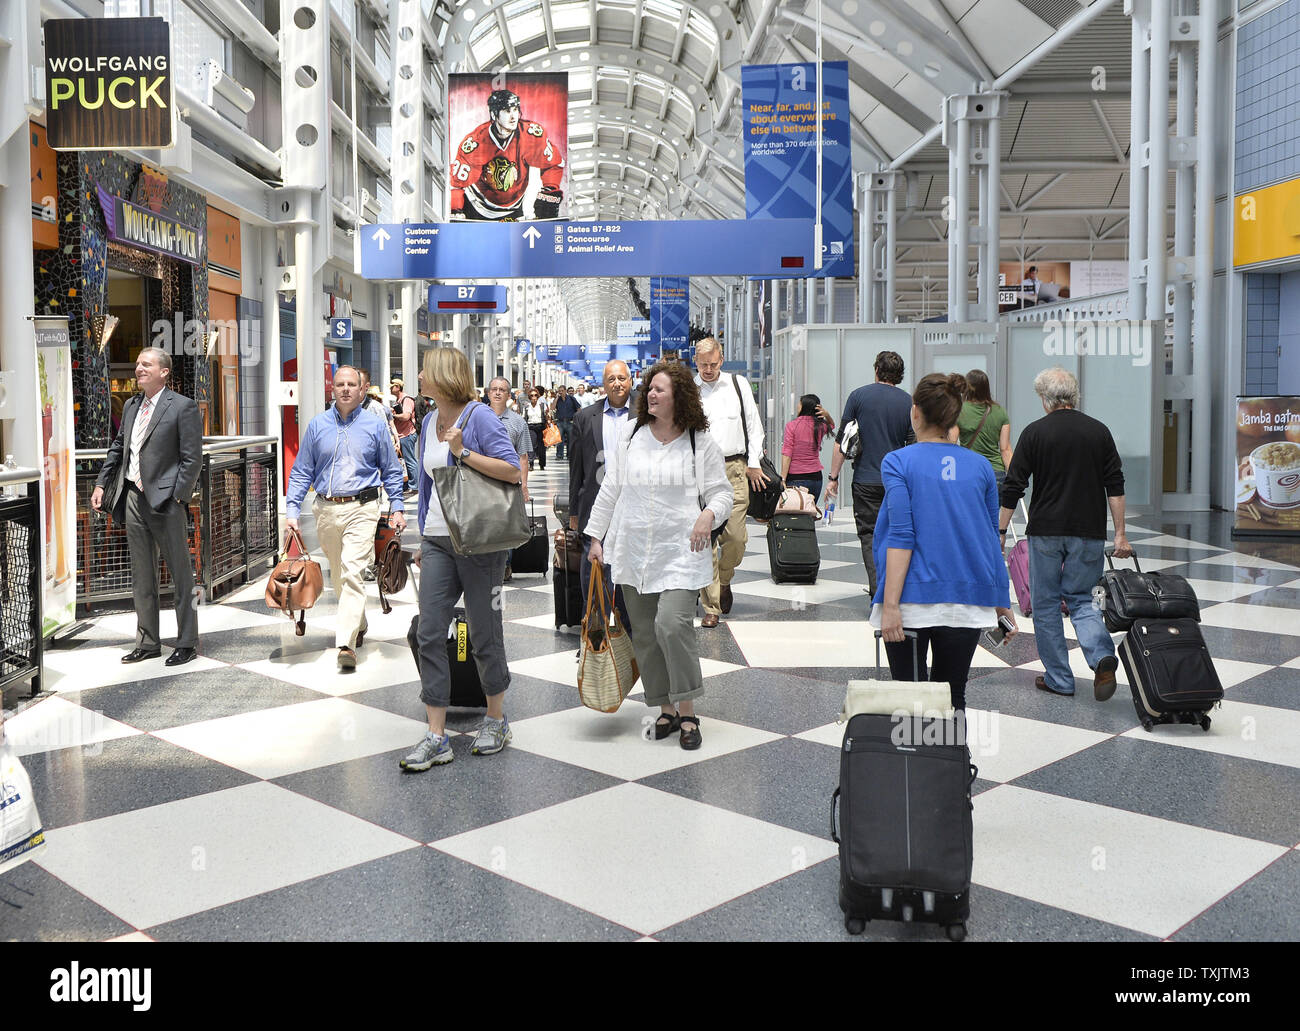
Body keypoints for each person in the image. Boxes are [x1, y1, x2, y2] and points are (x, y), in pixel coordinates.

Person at [584, 361, 732, 750]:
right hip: (632, 551)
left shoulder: (700, 441)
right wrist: (596, 537)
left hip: (681, 551)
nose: (650, 394)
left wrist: (707, 514)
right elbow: (610, 489)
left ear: (678, 396)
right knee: (646, 635)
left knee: (672, 625)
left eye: (659, 390)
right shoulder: (633, 436)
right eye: (649, 388)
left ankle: (687, 712)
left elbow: (722, 493)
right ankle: (664, 709)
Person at [401, 348, 524, 771]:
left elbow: (513, 471)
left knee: (484, 633)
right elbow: (426, 486)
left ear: (443, 375)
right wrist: (421, 536)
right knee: (430, 633)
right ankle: (437, 734)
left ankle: (495, 718)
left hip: (478, 543)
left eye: (424, 370)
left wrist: (463, 453)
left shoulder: (480, 417)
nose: (418, 375)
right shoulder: (427, 422)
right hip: (437, 541)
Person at [874, 374, 1017, 712]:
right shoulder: (982, 466)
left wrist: (889, 605)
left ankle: (913, 764)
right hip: (965, 602)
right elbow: (989, 536)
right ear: (954, 419)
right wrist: (1001, 600)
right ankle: (950, 765)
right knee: (953, 698)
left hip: (909, 599)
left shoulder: (897, 462)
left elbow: (901, 535)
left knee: (909, 702)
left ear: (916, 413)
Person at [998, 367, 1132, 700]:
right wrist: (1120, 535)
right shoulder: (1098, 431)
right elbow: (1115, 485)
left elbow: (1014, 485)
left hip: (1046, 531)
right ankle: (1101, 656)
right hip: (1087, 531)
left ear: (1046, 399)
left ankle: (1059, 678)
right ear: (1073, 397)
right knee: (1082, 600)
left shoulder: (1034, 433)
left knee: (1044, 604)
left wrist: (1000, 529)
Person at [285, 366, 406, 671]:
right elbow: (302, 471)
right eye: (340, 384)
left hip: (363, 507)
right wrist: (292, 511)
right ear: (333, 389)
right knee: (339, 574)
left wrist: (397, 506)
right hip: (325, 509)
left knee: (353, 571)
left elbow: (391, 469)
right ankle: (358, 622)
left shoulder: (374, 426)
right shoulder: (317, 426)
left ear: (362, 389)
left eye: (352, 384)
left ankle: (345, 643)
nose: (346, 389)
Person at [91, 347, 203, 667]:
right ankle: (148, 642)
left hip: (166, 502)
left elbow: (192, 458)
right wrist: (102, 483)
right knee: (142, 576)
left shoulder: (182, 407)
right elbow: (118, 447)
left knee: (182, 576)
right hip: (133, 498)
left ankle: (186, 642)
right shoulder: (130, 405)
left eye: (146, 364)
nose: (139, 368)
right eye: (138, 364)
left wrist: (178, 497)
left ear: (164, 372)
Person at [825, 350, 914, 597]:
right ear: (900, 375)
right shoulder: (908, 402)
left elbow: (842, 441)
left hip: (864, 480)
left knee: (869, 537)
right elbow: (913, 446)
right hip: (896, 482)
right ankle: (897, 593)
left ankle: (878, 594)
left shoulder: (858, 397)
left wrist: (833, 479)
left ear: (876, 370)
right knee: (897, 535)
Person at [693, 336, 767, 628]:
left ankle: (724, 580)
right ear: (695, 362)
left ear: (721, 360)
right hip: (700, 472)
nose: (708, 370)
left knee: (735, 538)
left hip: (735, 468)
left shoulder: (738, 385)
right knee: (705, 539)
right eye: (703, 365)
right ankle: (711, 606)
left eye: (713, 364)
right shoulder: (690, 390)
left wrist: (753, 463)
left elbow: (753, 424)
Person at [569, 359, 635, 628]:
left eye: (622, 378)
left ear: (630, 380)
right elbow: (576, 469)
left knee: (628, 575)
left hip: (634, 506)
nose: (617, 383)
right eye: (611, 379)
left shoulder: (646, 413)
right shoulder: (585, 417)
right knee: (594, 573)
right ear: (603, 384)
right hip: (595, 505)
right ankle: (593, 637)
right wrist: (573, 510)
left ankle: (629, 637)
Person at [450, 89, 565, 221]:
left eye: (515, 109)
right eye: (506, 111)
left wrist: (550, 190)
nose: (513, 116)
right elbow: (456, 184)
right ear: (494, 114)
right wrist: (456, 209)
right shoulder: (476, 142)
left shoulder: (530, 135)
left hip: (514, 209)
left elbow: (554, 164)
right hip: (477, 208)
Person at [486, 376, 533, 583]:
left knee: (506, 525)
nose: (497, 393)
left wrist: (524, 487)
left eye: (502, 390)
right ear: (488, 393)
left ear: (509, 395)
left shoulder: (517, 422)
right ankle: (483, 561)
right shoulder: (477, 417)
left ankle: (505, 564)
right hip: (482, 481)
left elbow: (523, 457)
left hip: (508, 482)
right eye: (494, 389)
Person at [956, 370, 1013, 487]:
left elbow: (951, 443)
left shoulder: (960, 411)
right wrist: (1015, 476)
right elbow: (1005, 449)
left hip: (969, 471)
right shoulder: (1000, 412)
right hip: (996, 473)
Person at [781, 393, 836, 500]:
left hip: (795, 478)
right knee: (810, 512)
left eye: (799, 403)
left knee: (797, 514)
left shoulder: (792, 426)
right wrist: (827, 415)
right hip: (816, 478)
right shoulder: (819, 426)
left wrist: (783, 478)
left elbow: (787, 453)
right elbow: (832, 425)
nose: (797, 406)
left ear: (804, 406)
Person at [391, 377, 419, 487]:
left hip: (407, 434)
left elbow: (406, 416)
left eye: (392, 386)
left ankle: (414, 486)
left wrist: (393, 415)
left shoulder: (406, 400)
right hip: (402, 435)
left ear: (397, 387)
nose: (390, 389)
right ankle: (409, 484)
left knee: (409, 460)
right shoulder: (399, 400)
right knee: (405, 461)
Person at [522, 386, 549, 470]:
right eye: (532, 396)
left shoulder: (542, 405)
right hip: (531, 427)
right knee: (532, 445)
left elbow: (546, 416)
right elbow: (524, 417)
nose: (534, 397)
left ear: (538, 396)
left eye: (535, 395)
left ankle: (542, 464)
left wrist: (548, 417)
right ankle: (531, 463)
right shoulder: (527, 407)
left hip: (540, 426)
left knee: (541, 446)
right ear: (529, 397)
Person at [552, 384, 579, 461]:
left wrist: (577, 420)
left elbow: (578, 409)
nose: (560, 392)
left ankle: (570, 455)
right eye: (559, 391)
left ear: (565, 391)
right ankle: (559, 455)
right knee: (559, 440)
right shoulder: (557, 400)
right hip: (560, 422)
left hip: (570, 422)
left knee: (570, 440)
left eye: (562, 391)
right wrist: (556, 398)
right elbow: (552, 408)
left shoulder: (571, 399)